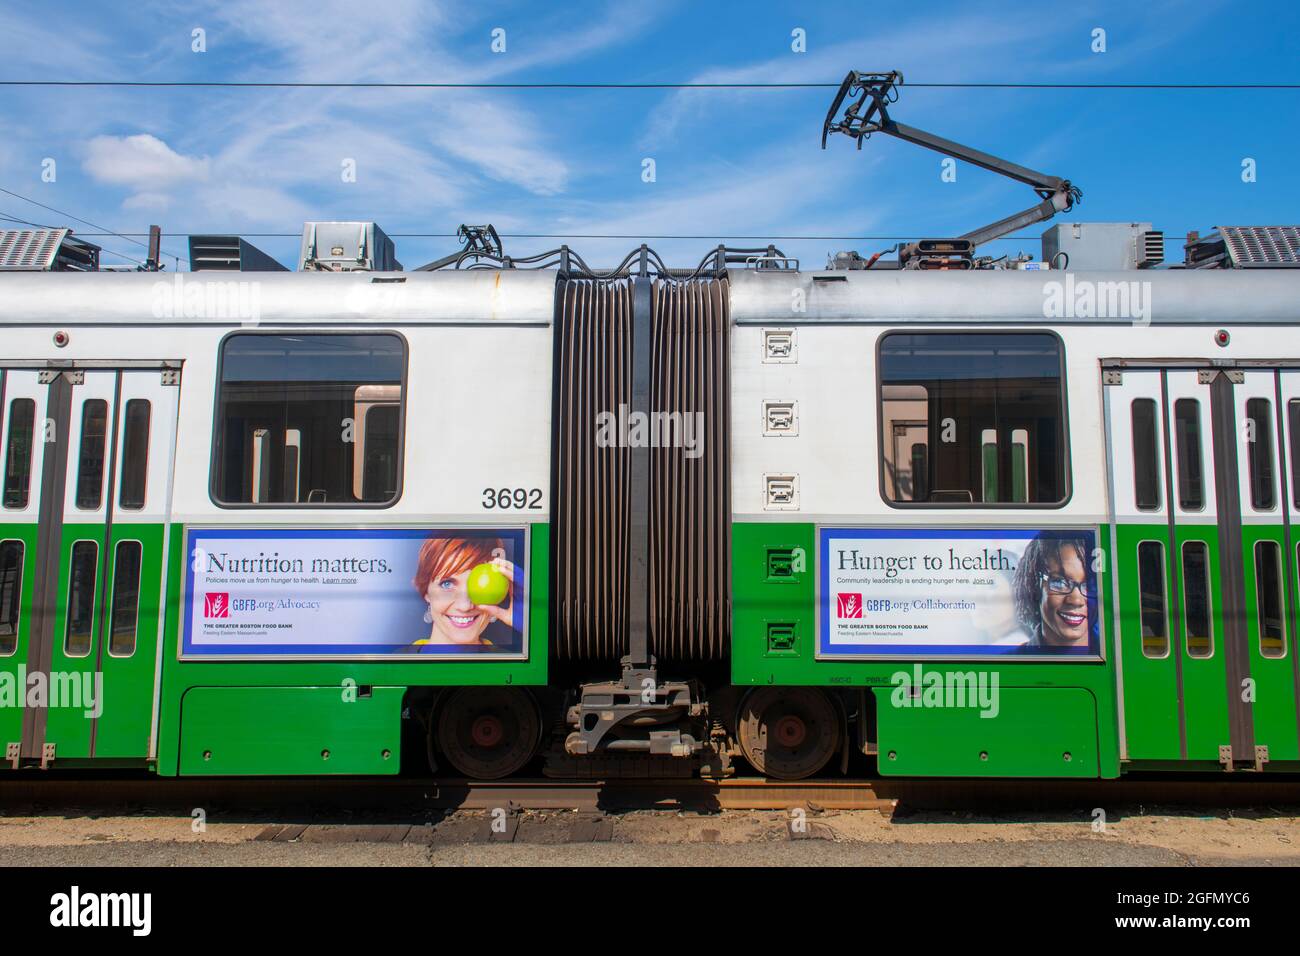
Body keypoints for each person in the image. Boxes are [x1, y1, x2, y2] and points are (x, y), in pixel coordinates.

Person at [410, 535, 521, 651]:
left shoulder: (517, 665)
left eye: (478, 585)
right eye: (447, 584)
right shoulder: (393, 664)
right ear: (426, 591)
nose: (465, 606)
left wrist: (535, 626)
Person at [1012, 533, 1094, 650]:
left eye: (1089, 585)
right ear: (1033, 586)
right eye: (1060, 582)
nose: (1076, 600)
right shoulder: (1007, 663)